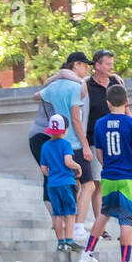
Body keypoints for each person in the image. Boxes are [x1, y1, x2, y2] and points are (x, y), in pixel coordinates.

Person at [79, 84, 132, 262]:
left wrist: (108, 165)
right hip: (128, 177)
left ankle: (87, 252)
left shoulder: (100, 124)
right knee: (127, 220)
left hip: (108, 175)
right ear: (127, 102)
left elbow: (99, 153)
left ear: (107, 103)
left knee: (104, 213)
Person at [75, 50, 132, 244]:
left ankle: (124, 227)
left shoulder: (116, 83)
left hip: (117, 143)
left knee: (117, 184)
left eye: (112, 63)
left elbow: (126, 109)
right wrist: (84, 145)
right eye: (108, 64)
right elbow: (79, 115)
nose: (111, 67)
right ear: (98, 65)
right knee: (97, 183)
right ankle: (99, 229)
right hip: (94, 141)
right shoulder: (85, 85)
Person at [39, 52, 93, 246]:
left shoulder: (54, 87)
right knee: (89, 185)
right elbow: (76, 119)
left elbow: (36, 95)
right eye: (85, 65)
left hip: (55, 169)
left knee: (61, 206)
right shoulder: (75, 87)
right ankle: (78, 228)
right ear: (76, 65)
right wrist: (85, 145)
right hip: (74, 143)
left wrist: (57, 76)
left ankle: (62, 240)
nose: (87, 68)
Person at [39, 114, 82, 253]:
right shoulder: (66, 144)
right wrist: (78, 166)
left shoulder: (45, 146)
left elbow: (44, 168)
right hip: (66, 182)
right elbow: (68, 161)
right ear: (65, 130)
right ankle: (69, 241)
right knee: (70, 212)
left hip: (52, 184)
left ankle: (60, 243)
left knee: (57, 214)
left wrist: (52, 176)